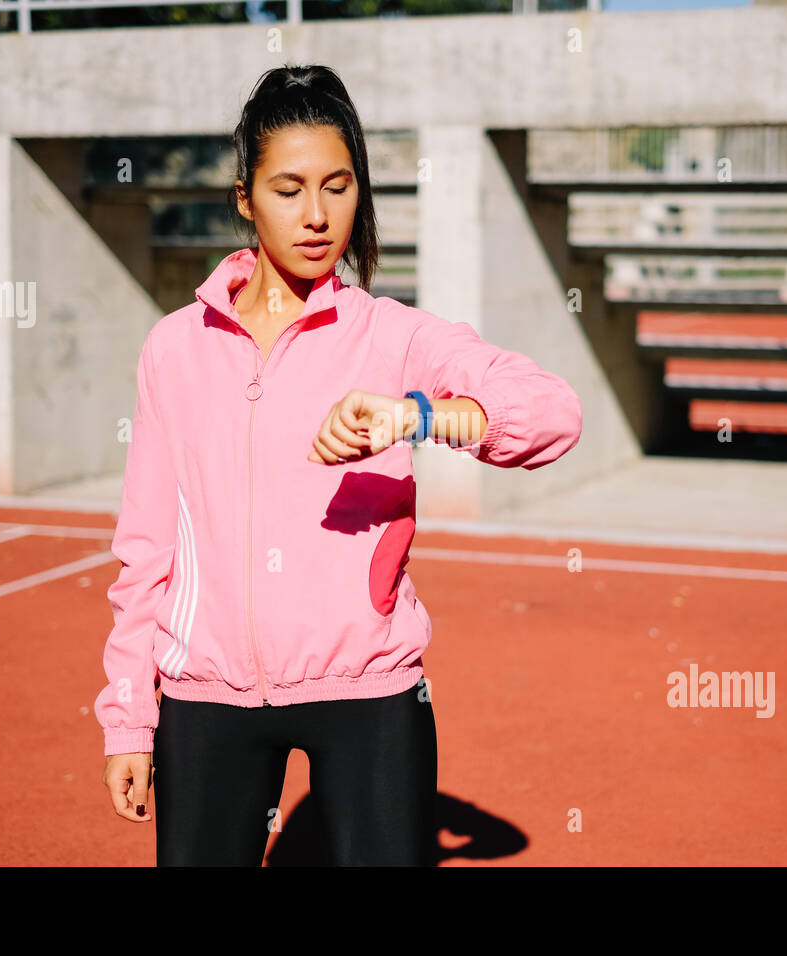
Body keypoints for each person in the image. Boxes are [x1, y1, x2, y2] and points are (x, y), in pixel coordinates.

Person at [97, 63, 583, 866]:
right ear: (245, 199)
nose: (318, 216)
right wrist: (127, 718)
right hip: (207, 698)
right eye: (288, 190)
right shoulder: (174, 350)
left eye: (339, 185)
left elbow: (554, 414)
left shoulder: (391, 337)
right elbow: (146, 550)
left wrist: (418, 415)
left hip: (369, 696)